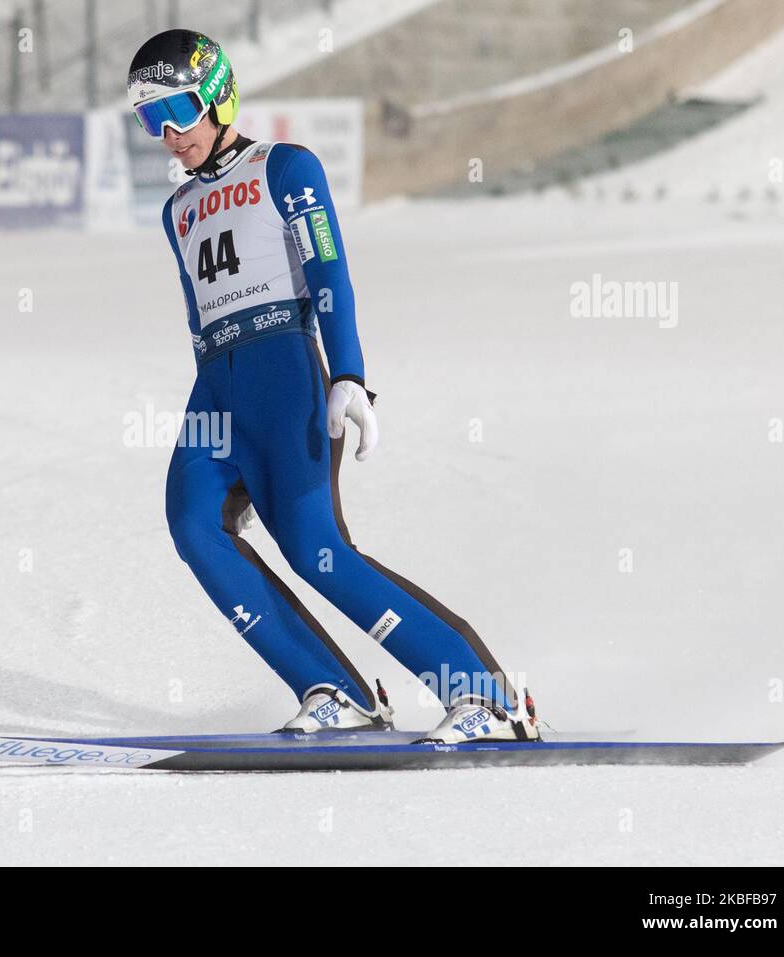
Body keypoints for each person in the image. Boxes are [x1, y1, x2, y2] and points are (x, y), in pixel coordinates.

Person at [128, 29, 539, 743]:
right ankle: (336, 690)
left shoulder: (284, 166)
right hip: (217, 388)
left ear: (219, 96)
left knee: (317, 551)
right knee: (195, 526)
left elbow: (328, 273)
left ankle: (483, 697)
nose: (169, 134)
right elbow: (199, 317)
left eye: (180, 110)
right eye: (150, 119)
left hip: (286, 369)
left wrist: (348, 375)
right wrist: (215, 417)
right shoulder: (176, 211)